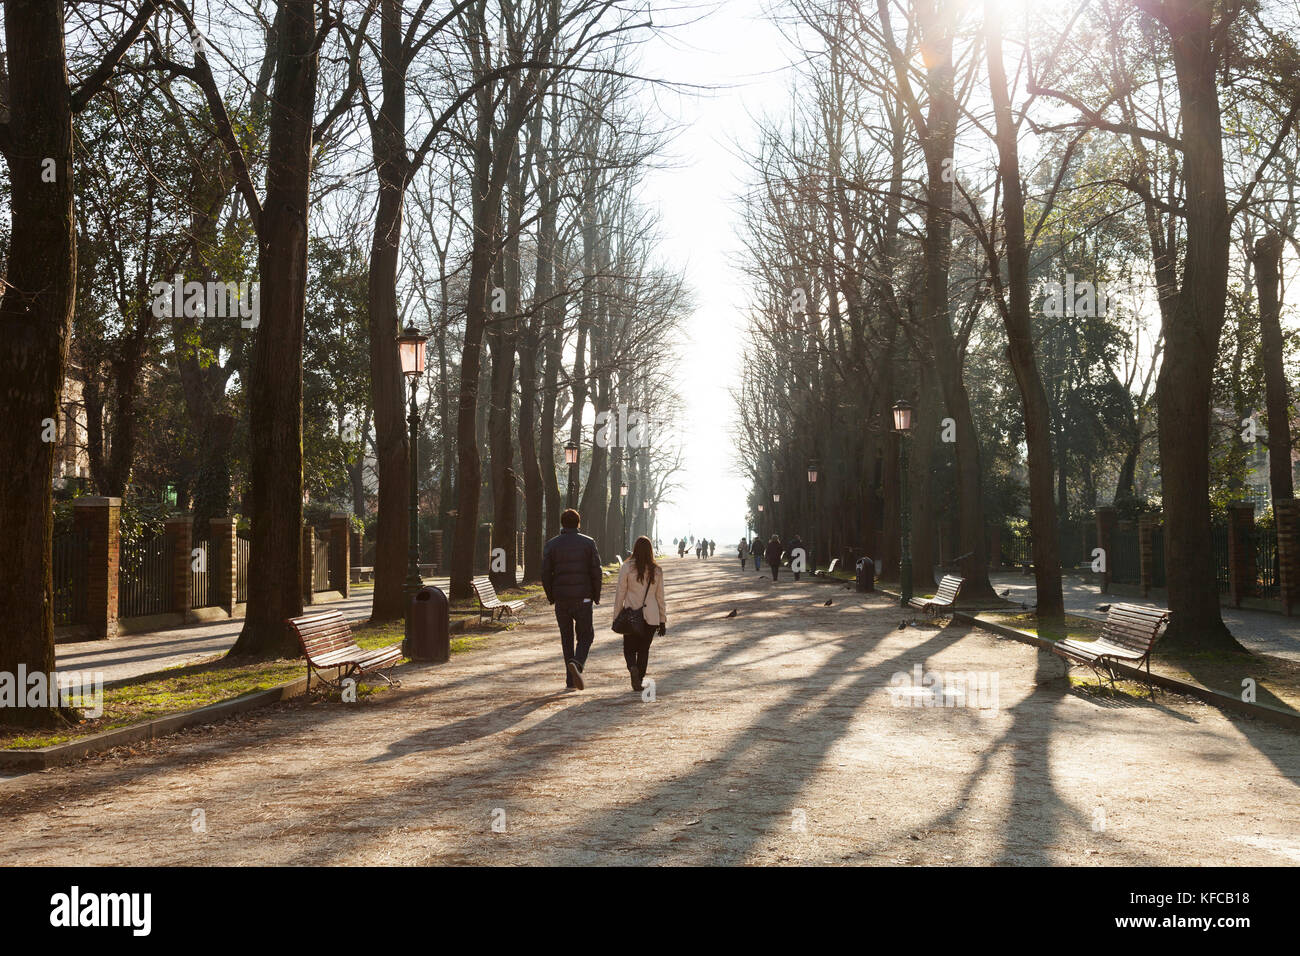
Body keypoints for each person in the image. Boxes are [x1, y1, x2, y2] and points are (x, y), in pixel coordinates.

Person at [541, 508, 603, 690]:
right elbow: (596, 571)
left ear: (562, 523)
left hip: (561, 599)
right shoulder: (588, 543)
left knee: (566, 638)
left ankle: (570, 680)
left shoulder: (552, 544)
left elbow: (545, 573)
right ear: (578, 523)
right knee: (586, 635)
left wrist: (551, 596)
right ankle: (577, 662)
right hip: (583, 598)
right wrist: (595, 595)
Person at [613, 535, 667, 691]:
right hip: (651, 616)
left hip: (631, 615)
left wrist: (617, 615)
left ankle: (632, 668)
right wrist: (662, 620)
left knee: (629, 649)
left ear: (635, 549)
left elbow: (620, 594)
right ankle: (640, 678)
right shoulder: (657, 570)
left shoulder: (627, 567)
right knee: (644, 650)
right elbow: (660, 597)